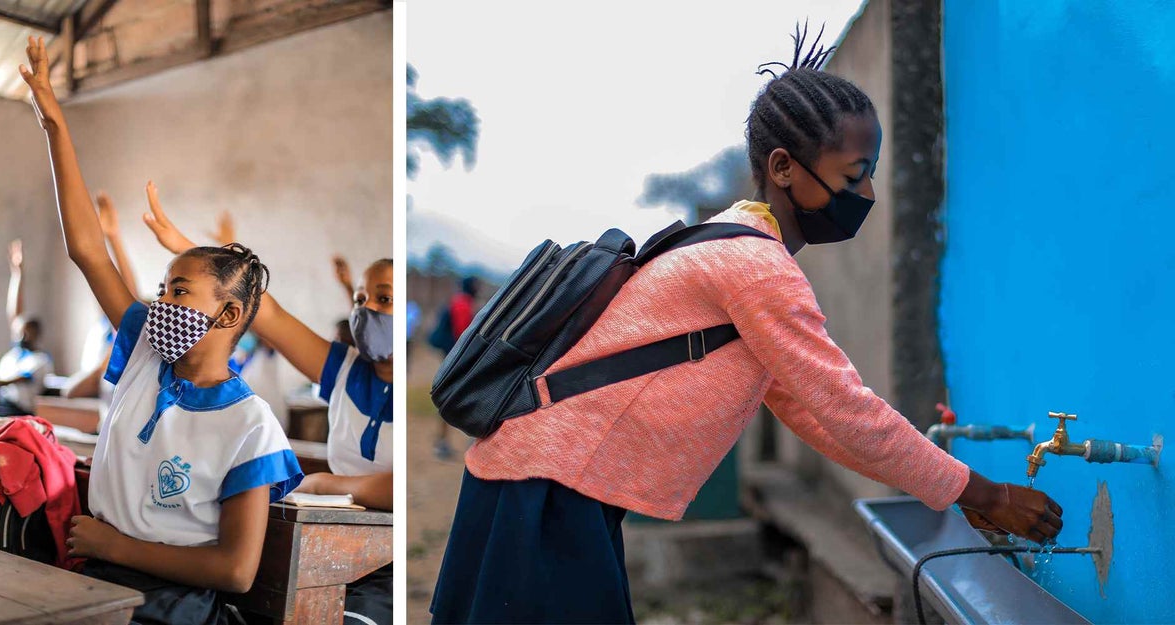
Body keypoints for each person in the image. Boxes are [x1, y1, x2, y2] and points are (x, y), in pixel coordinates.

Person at [429, 25, 1066, 624]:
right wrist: (985, 493)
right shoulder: (757, 268)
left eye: (870, 173)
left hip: (549, 481)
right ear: (784, 167)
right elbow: (850, 411)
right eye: (853, 175)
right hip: (546, 488)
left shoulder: (732, 244)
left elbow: (815, 414)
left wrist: (947, 492)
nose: (867, 194)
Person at [19, 37, 302, 624]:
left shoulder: (251, 426)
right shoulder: (146, 353)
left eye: (180, 292)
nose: (163, 302)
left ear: (228, 317)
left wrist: (116, 546)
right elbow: (87, 252)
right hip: (95, 582)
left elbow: (235, 570)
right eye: (163, 288)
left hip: (173, 607)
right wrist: (55, 127)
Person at [144, 195, 394, 625]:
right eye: (358, 299)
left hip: (385, 558)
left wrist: (325, 483)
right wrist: (189, 251)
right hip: (333, 540)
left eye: (384, 299)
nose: (367, 309)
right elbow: (269, 313)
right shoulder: (344, 369)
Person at [63, 192, 141, 431]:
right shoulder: (104, 340)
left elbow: (130, 299)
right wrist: (101, 366)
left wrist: (114, 238)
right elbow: (70, 392)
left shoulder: (140, 349)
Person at [0, 239, 53, 417]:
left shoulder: (40, 361)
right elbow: (14, 315)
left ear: (36, 335)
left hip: (18, 413)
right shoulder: (16, 355)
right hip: (0, 405)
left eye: (26, 332)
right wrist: (17, 274)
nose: (22, 336)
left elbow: (11, 381)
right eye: (20, 332)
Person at [428, 276, 478, 459]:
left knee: (452, 397)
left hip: (451, 355)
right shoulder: (463, 303)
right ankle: (444, 444)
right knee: (451, 398)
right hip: (455, 356)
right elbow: (462, 334)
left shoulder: (459, 300)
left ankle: (445, 443)